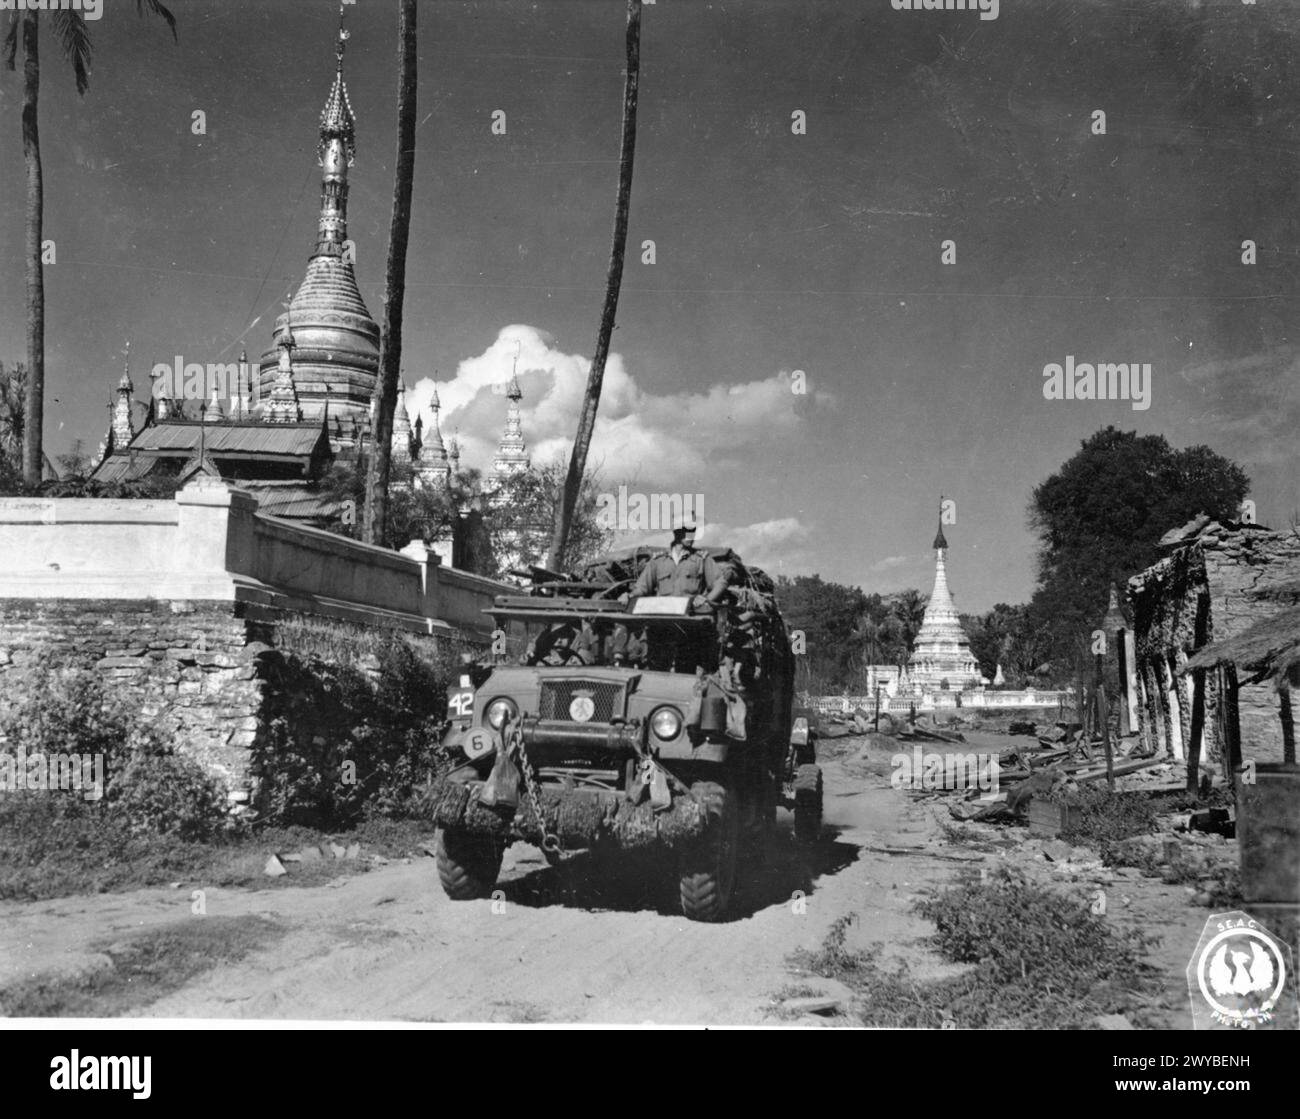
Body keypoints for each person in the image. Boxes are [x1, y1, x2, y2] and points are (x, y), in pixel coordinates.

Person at [631, 519, 732, 608]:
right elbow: (642, 587)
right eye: (688, 531)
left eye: (694, 531)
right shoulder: (658, 560)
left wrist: (706, 599)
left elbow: (720, 583)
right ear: (677, 532)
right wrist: (629, 595)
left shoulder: (701, 559)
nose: (692, 536)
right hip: (663, 614)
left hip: (690, 614)